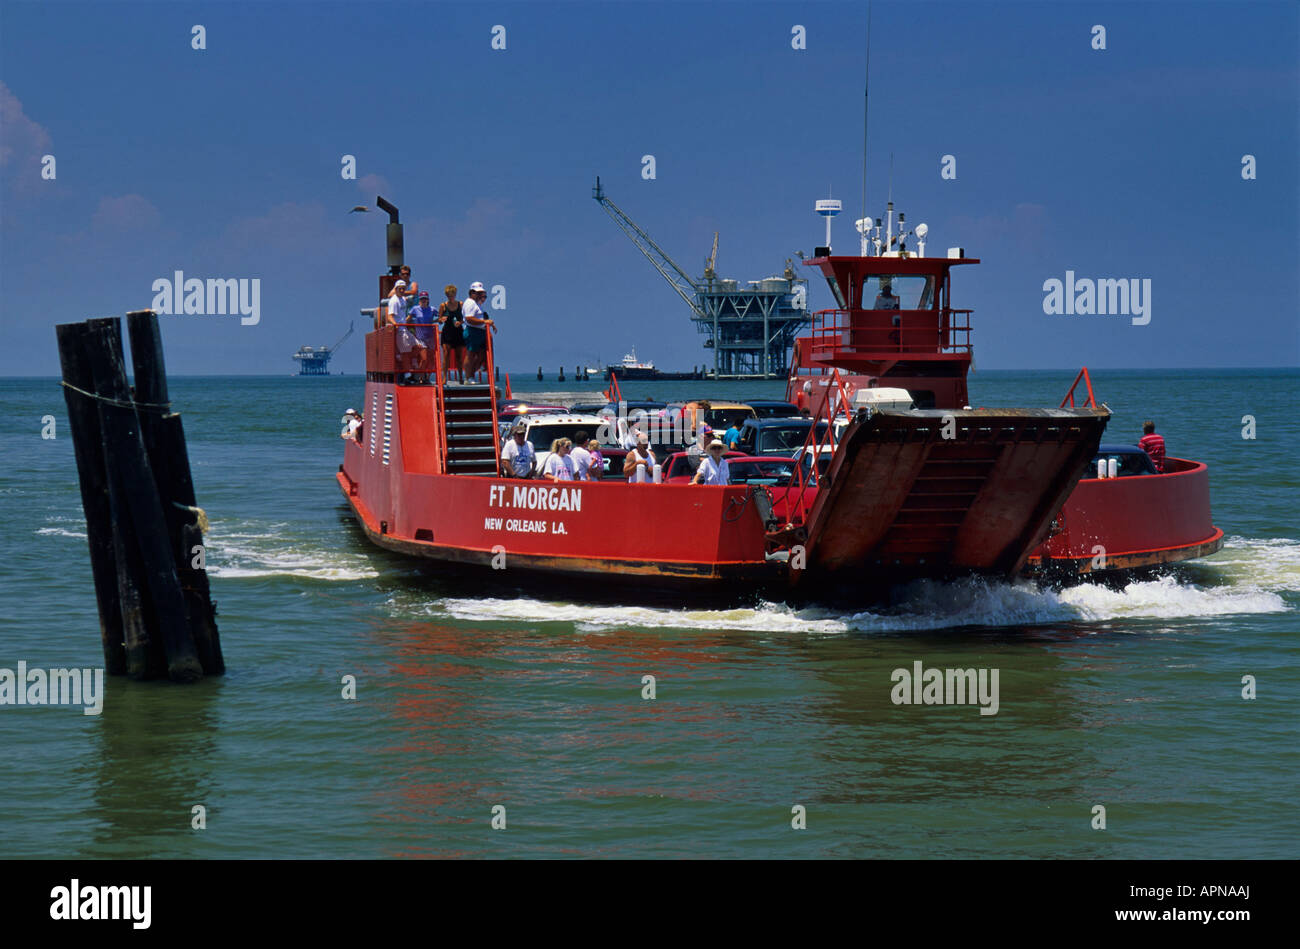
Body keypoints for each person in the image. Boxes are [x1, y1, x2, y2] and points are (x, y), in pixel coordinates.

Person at [461, 281, 495, 379]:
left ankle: (471, 375)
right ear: (472, 292)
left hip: (479, 331)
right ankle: (468, 377)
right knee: (470, 354)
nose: (480, 295)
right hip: (472, 331)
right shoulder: (470, 303)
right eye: (478, 293)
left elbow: (479, 317)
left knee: (481, 355)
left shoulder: (476, 303)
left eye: (481, 293)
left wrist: (487, 323)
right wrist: (484, 322)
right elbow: (469, 318)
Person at [405, 290, 438, 377]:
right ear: (419, 300)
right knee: (424, 359)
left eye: (425, 299)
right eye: (422, 299)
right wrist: (400, 326)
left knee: (431, 360)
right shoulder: (415, 309)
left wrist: (439, 320)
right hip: (420, 337)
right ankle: (419, 376)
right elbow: (408, 319)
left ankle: (426, 377)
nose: (423, 300)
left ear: (428, 300)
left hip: (430, 337)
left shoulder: (432, 309)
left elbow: (441, 316)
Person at [438, 284, 466, 383]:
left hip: (458, 331)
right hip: (447, 332)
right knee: (446, 355)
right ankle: (444, 377)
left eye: (452, 294)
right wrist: (442, 319)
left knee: (459, 356)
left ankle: (460, 377)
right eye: (449, 295)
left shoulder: (461, 304)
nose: (451, 297)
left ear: (455, 294)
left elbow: (465, 318)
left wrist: (460, 322)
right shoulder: (443, 305)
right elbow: (439, 319)